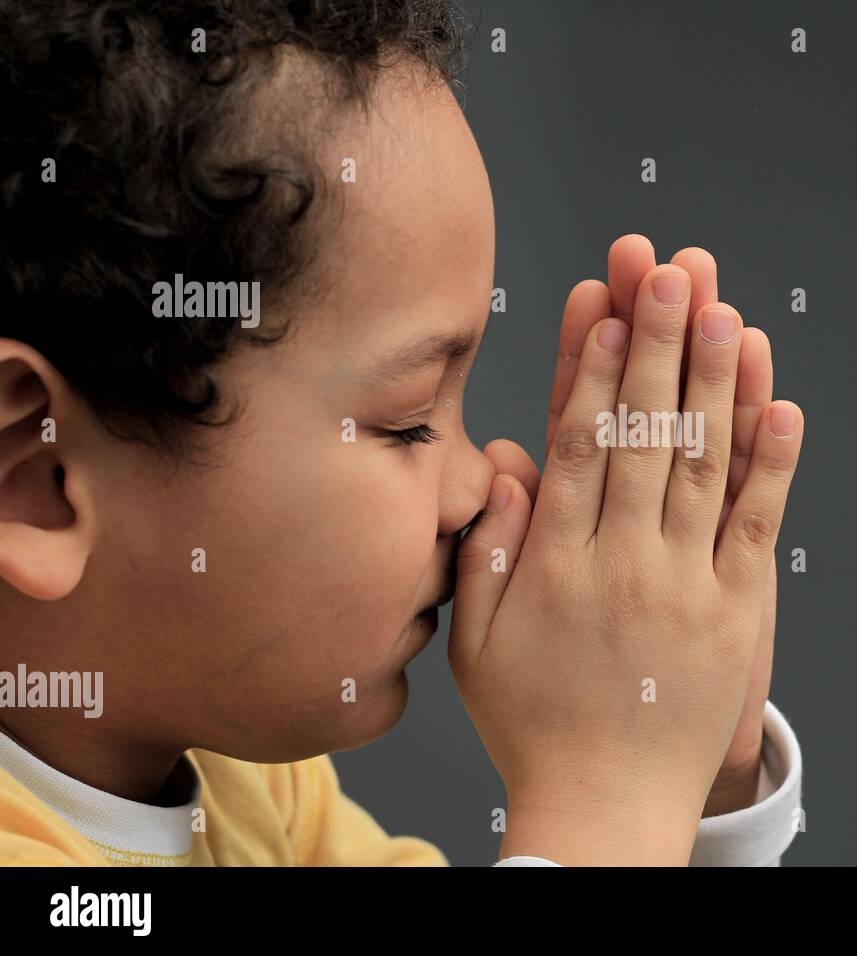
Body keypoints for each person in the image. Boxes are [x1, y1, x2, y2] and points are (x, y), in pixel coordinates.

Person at [0, 0, 804, 866]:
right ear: (41, 476)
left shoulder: (258, 795)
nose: (480, 489)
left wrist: (700, 789)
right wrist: (607, 783)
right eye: (410, 423)